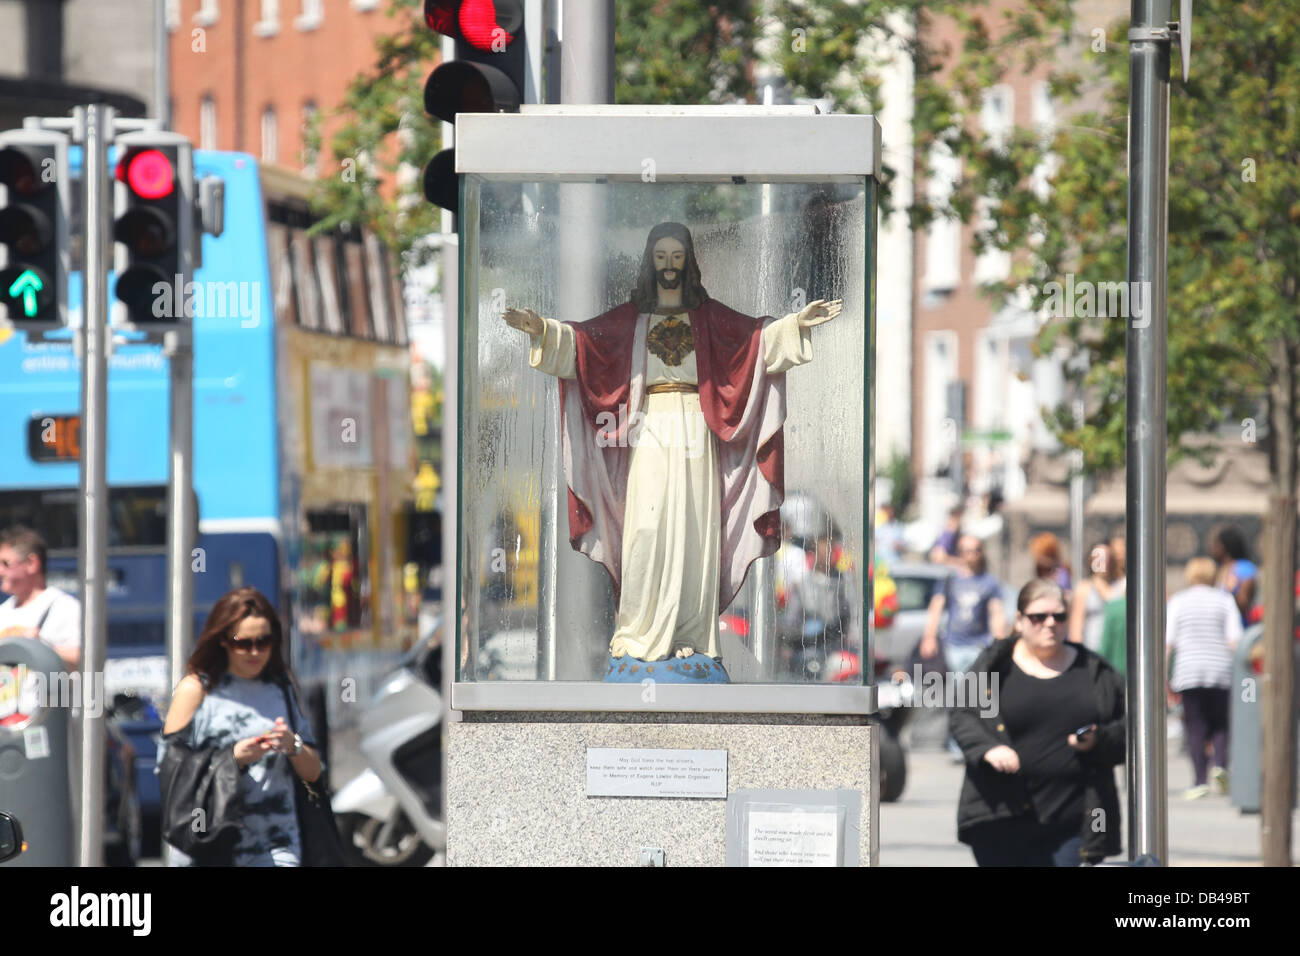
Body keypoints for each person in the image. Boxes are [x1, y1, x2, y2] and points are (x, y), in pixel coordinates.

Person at [503, 221, 841, 675]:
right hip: (649, 429)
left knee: (694, 531)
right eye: (660, 257)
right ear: (650, 262)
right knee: (645, 529)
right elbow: (584, 344)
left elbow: (755, 343)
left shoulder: (710, 319)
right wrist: (541, 330)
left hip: (697, 430)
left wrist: (796, 323)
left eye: (676, 256)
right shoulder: (629, 321)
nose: (668, 265)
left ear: (688, 262)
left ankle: (691, 635)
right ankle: (638, 632)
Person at [951, 579, 1125, 866]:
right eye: (1038, 617)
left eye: (1058, 616)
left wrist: (1099, 740)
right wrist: (988, 749)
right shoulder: (994, 666)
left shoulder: (1095, 670)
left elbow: (1127, 730)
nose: (1049, 624)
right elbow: (961, 715)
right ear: (1019, 621)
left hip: (1075, 820)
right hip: (1000, 818)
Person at [159, 587, 324, 866]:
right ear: (223, 640)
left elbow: (315, 771)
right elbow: (169, 770)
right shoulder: (197, 690)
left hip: (278, 845)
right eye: (244, 643)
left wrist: (292, 745)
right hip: (209, 848)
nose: (255, 651)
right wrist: (232, 758)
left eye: (264, 641)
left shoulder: (281, 687)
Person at [919, 534, 1005, 759]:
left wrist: (999, 641)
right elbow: (936, 608)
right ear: (959, 553)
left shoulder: (989, 582)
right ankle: (958, 742)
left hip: (979, 646)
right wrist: (929, 637)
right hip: (954, 646)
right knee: (959, 695)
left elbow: (996, 613)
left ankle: (976, 740)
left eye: (976, 550)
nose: (971, 555)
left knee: (979, 695)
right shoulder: (950, 580)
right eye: (966, 550)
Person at [1166, 557, 1241, 799]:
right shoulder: (1224, 600)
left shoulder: (1179, 601)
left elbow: (1169, 642)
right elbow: (1234, 640)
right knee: (1220, 723)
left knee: (1195, 726)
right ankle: (1219, 763)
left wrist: (1164, 677)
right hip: (1220, 669)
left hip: (1188, 670)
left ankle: (1200, 780)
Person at [0, 526, 81, 668]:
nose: (1, 571)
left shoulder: (65, 607)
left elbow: (85, 659)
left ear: (32, 563)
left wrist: (39, 646)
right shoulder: (3, 611)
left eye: (6, 563)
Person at [1069, 541, 1123, 651]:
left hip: (1116, 650)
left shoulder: (1122, 587)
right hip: (1092, 650)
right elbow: (1076, 627)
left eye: (1106, 558)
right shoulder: (1084, 588)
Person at [1210, 526, 1257, 627]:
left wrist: (1233, 590)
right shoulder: (1220, 568)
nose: (1213, 549)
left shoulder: (1245, 568)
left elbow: (1244, 604)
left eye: (1217, 545)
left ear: (1225, 547)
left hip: (1239, 629)